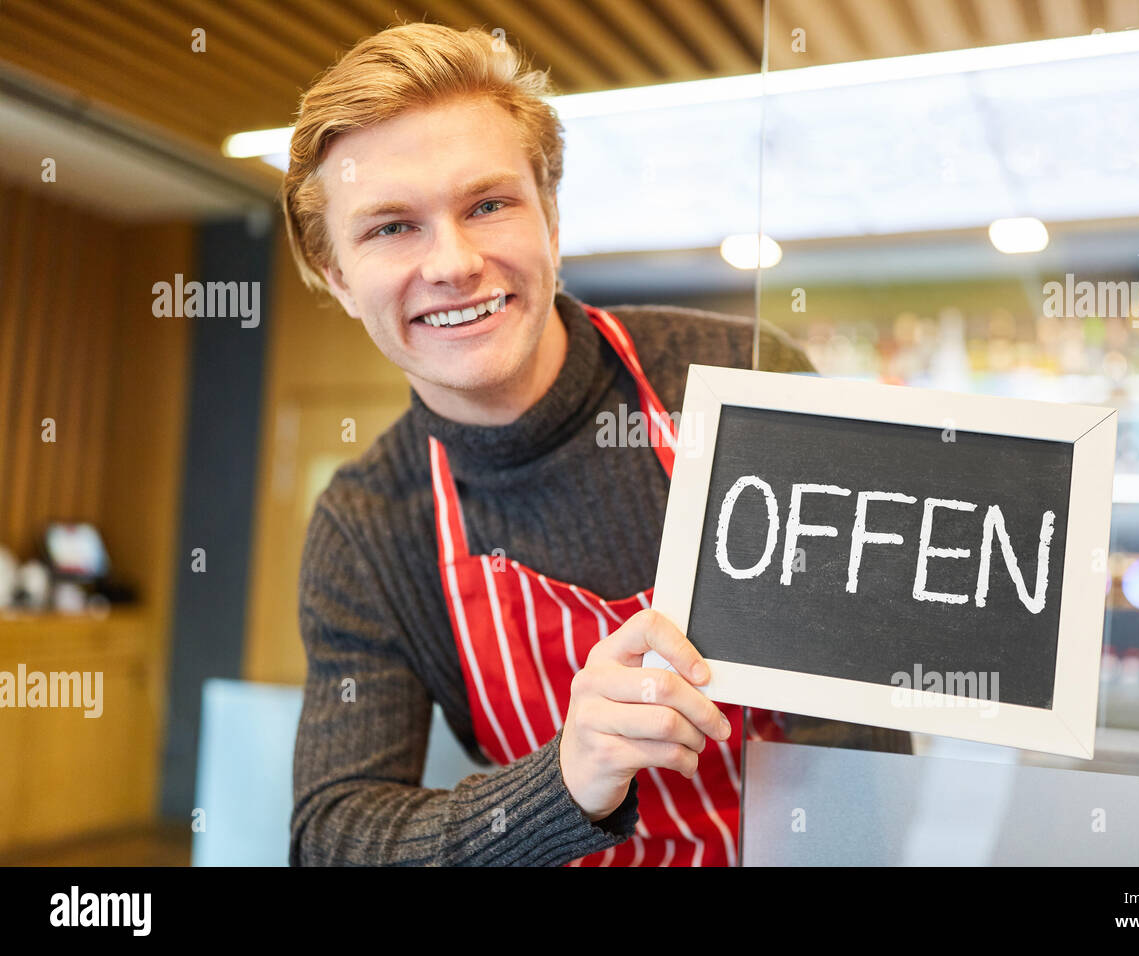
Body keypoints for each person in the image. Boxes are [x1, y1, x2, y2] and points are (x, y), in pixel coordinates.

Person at [282, 21, 910, 867]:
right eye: (391, 227)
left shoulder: (737, 378)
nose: (454, 262)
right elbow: (335, 838)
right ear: (336, 278)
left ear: (551, 217)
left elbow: (856, 751)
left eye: (489, 204)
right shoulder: (368, 525)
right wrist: (565, 780)